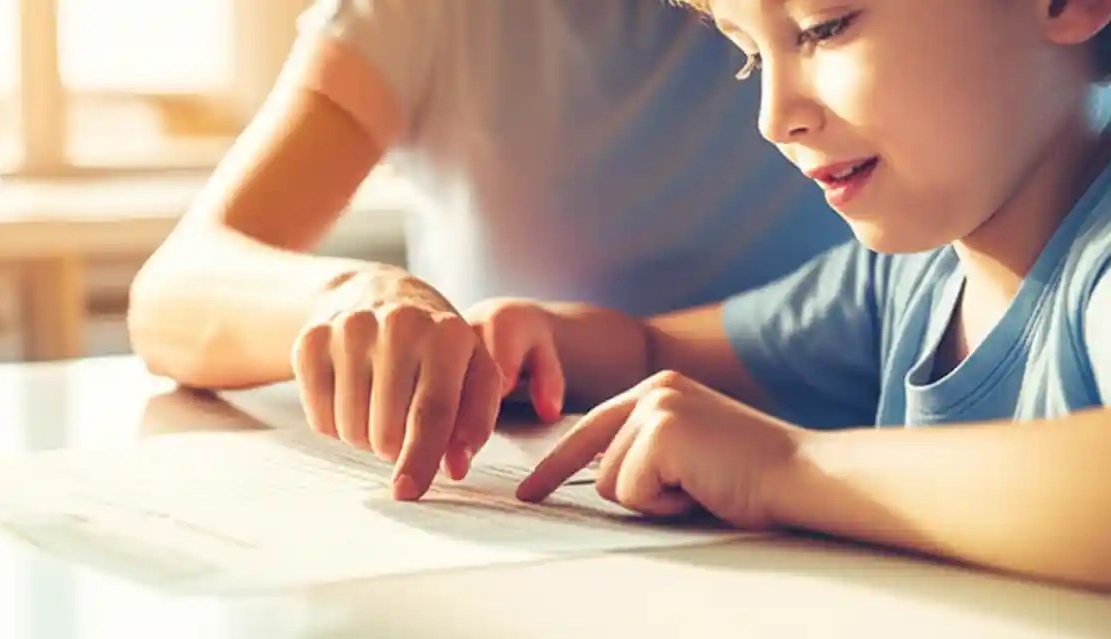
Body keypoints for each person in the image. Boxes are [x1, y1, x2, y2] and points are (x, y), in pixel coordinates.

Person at [447, 0, 1111, 589]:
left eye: (826, 28)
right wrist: (523, 341)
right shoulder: (909, 278)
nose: (773, 118)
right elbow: (654, 354)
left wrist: (788, 467)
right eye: (750, 58)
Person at [127, 1, 848, 488]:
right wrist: (353, 299)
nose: (776, 115)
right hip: (558, 508)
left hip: (859, 491)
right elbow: (174, 295)